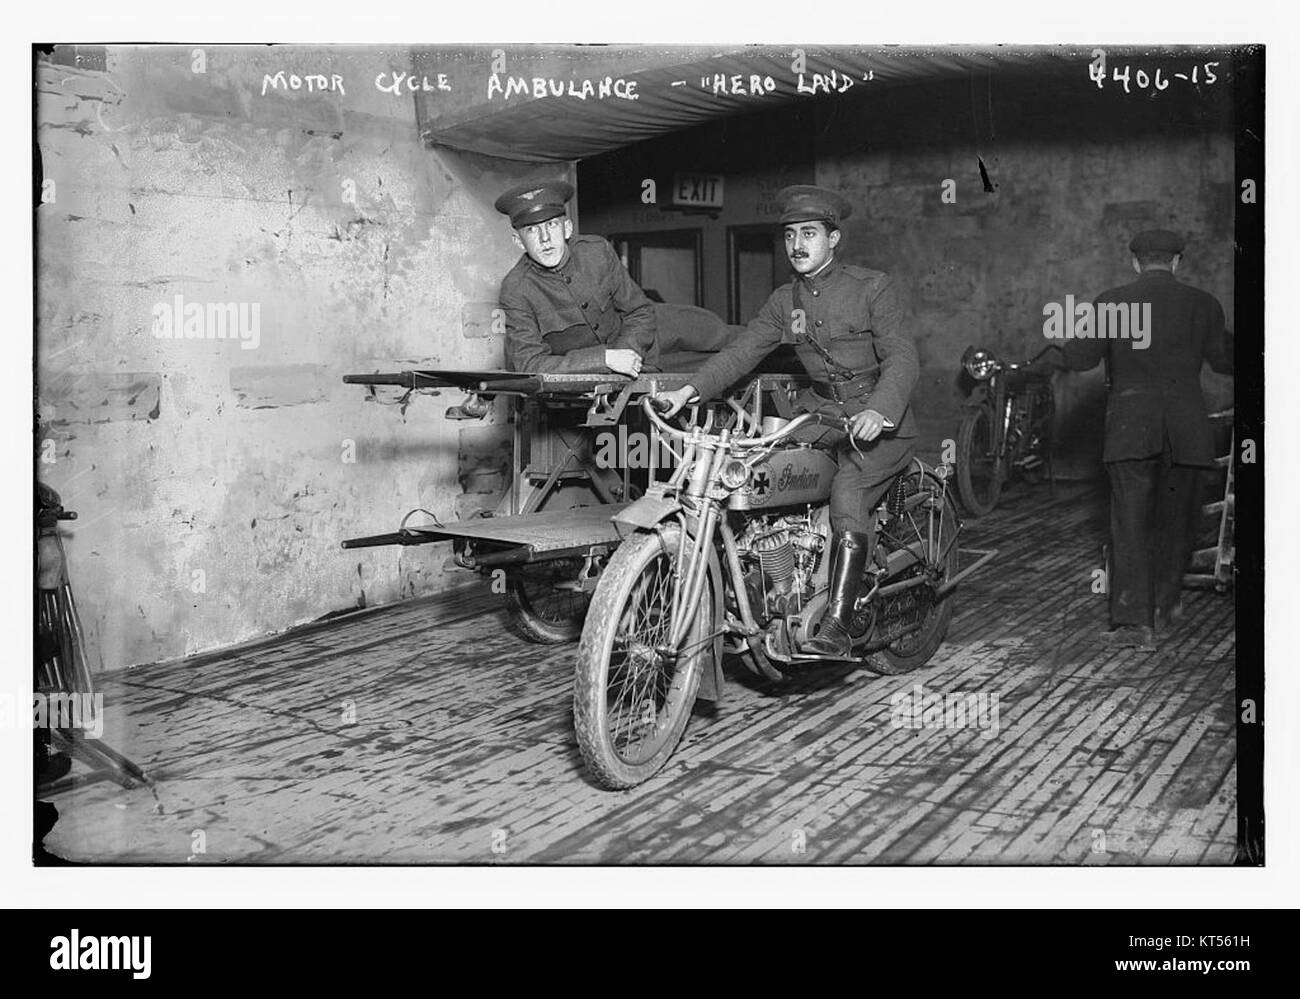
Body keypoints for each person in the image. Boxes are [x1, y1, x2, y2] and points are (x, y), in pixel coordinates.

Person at [654, 185, 919, 658]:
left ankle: (838, 622)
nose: (797, 245)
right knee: (761, 473)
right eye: (791, 235)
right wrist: (689, 391)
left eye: (810, 234)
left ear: (833, 239)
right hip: (819, 415)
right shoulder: (784, 300)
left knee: (849, 491)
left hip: (878, 423)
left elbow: (902, 357)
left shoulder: (871, 287)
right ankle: (778, 582)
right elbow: (740, 353)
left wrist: (880, 411)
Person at [1060, 228, 1233, 651]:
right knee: (1177, 522)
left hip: (1129, 427)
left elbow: (1079, 359)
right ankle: (1166, 608)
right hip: (1187, 428)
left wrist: (1061, 346)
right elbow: (1225, 360)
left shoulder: (1112, 302)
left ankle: (1134, 622)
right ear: (1176, 262)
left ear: (1135, 263)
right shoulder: (1203, 303)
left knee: (1130, 522)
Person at [495, 180, 657, 376]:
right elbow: (529, 364)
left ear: (568, 228)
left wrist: (625, 357)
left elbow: (640, 312)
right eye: (532, 230)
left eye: (552, 225)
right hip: (568, 394)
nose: (545, 238)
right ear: (518, 241)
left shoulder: (597, 252)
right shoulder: (515, 290)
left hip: (640, 362)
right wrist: (605, 359)